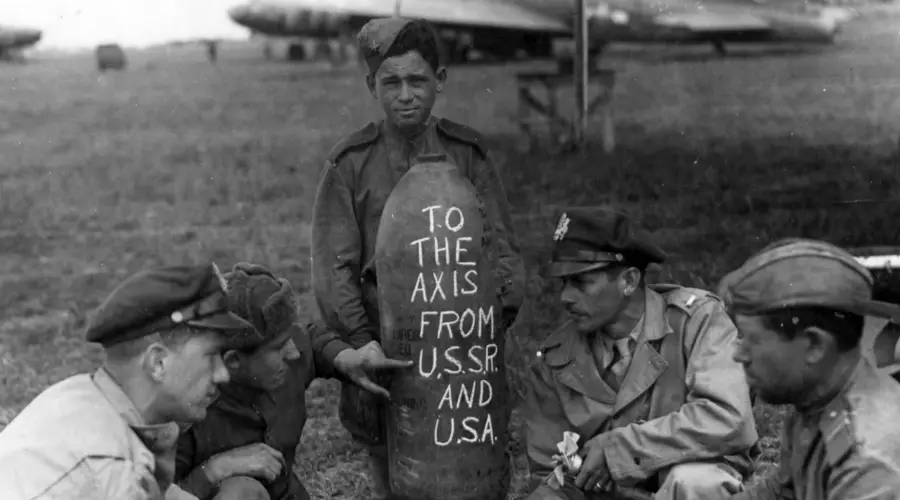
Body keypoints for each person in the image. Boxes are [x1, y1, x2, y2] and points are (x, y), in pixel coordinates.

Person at [310, 16, 526, 499]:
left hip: (462, 361)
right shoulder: (351, 165)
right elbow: (333, 270)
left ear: (440, 81)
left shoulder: (467, 155)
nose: (405, 94)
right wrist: (364, 344)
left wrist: (481, 331)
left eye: (417, 80)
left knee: (473, 475)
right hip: (385, 356)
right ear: (372, 86)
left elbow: (505, 254)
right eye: (391, 82)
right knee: (394, 472)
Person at [523, 206, 759, 500]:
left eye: (581, 282)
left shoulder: (697, 322)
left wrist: (619, 450)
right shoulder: (557, 358)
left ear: (629, 281)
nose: (565, 297)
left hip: (684, 485)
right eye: (563, 283)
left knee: (695, 482)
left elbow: (729, 419)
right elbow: (549, 474)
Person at [0, 263, 251, 499]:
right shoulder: (115, 473)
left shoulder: (77, 396)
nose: (222, 374)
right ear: (158, 363)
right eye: (211, 356)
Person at [173, 263, 413, 500]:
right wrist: (216, 469)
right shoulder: (186, 410)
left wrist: (347, 358)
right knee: (240, 492)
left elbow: (311, 340)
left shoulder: (285, 361)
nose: (293, 353)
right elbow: (154, 492)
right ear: (234, 361)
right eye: (278, 347)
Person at [717, 238, 900, 499]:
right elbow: (781, 491)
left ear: (814, 346)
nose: (738, 354)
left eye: (752, 339)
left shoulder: (869, 464)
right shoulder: (817, 396)